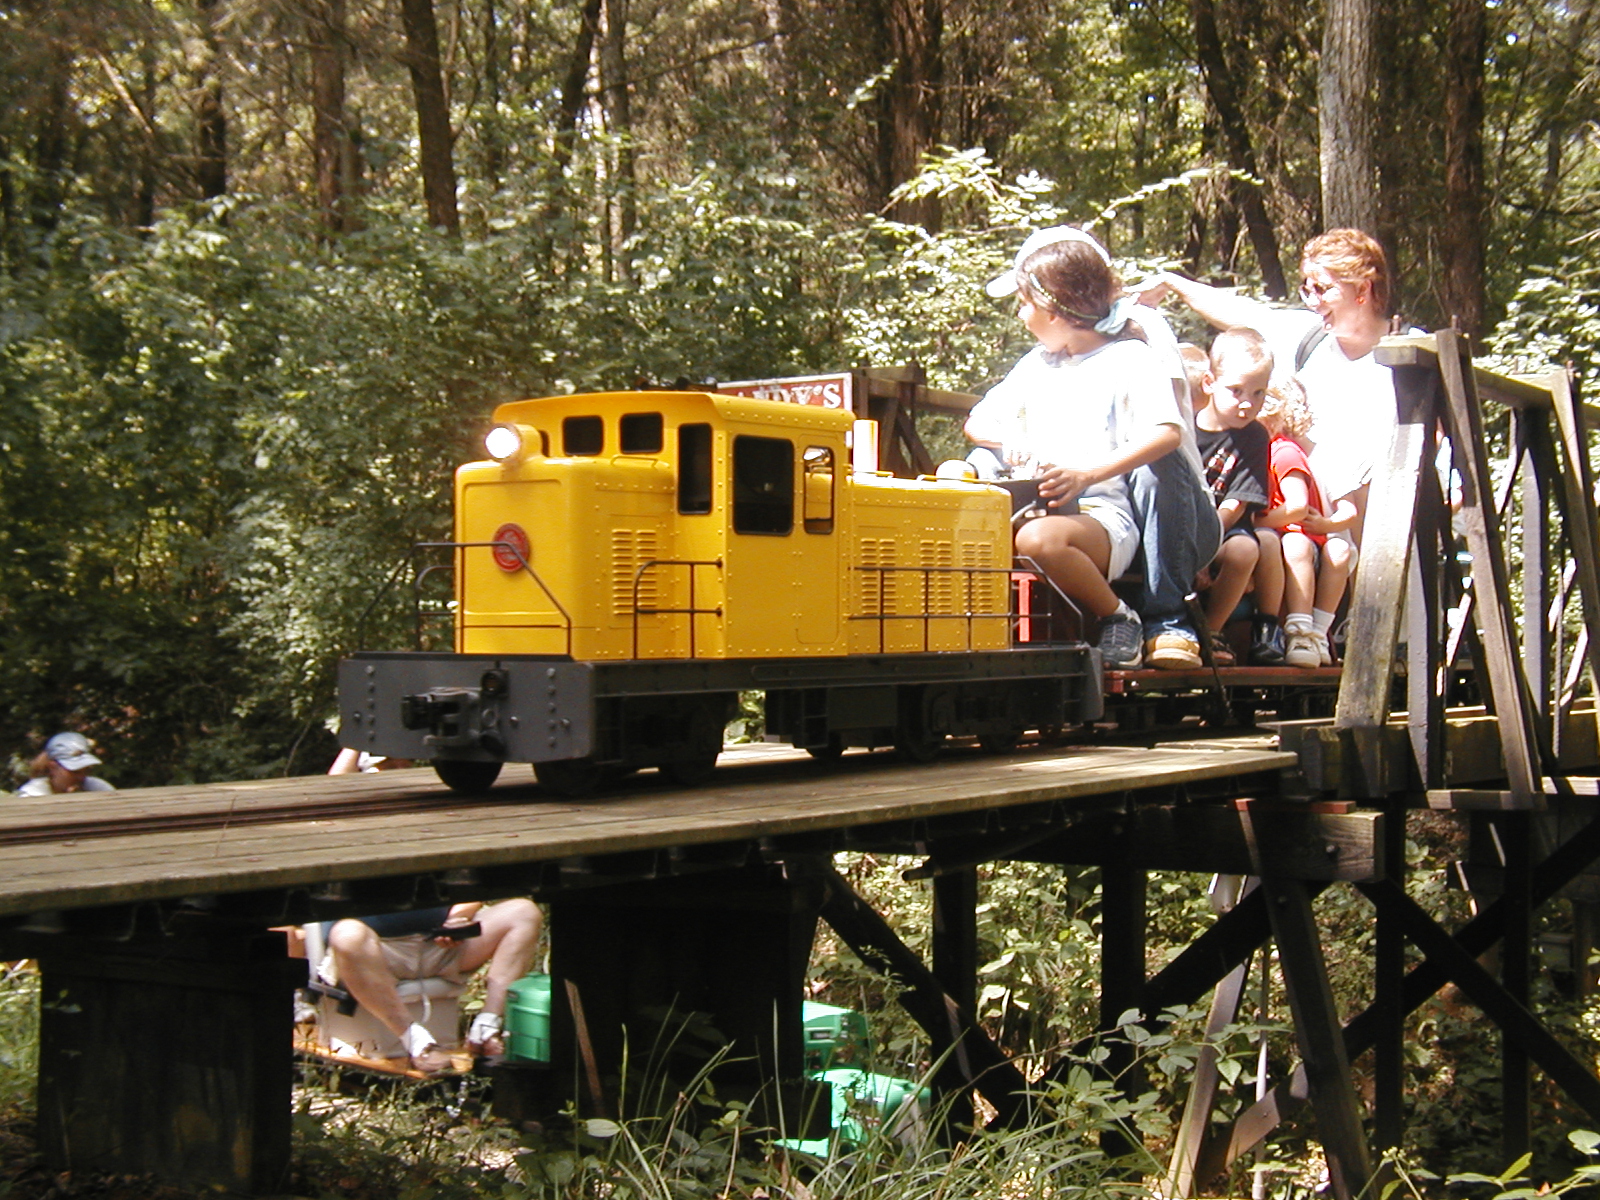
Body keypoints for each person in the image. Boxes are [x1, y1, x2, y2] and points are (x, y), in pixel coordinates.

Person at [966, 226, 1219, 670]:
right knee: (965, 468)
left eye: (1024, 303)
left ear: (1052, 307)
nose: (1021, 315)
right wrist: (1012, 441)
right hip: (1036, 503)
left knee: (1039, 541)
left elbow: (1166, 433)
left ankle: (1120, 616)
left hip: (1101, 514)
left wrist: (1086, 474)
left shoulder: (1129, 358)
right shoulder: (1035, 364)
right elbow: (977, 422)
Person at [1135, 228, 1396, 548]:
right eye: (1307, 289)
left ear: (1363, 288)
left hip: (1382, 539)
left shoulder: (1409, 355)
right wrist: (1171, 282)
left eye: (1322, 289)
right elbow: (1239, 313)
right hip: (1308, 540)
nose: (1313, 302)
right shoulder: (1308, 338)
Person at [293, 899, 542, 1075]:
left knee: (523, 912)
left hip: (440, 944)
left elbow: (469, 892)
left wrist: (457, 918)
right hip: (374, 951)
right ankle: (418, 1043)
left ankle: (486, 1028)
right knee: (348, 934)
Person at [1255, 382, 1357, 668]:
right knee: (1294, 544)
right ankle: (1303, 630)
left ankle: (1315, 632)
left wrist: (1325, 524)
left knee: (1335, 550)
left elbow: (1347, 511)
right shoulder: (1270, 451)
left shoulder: (1301, 455)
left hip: (1315, 537)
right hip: (1291, 538)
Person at [1193, 328, 1274, 666]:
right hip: (1182, 525)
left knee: (1244, 550)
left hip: (1223, 530)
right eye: (1236, 390)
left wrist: (1205, 550)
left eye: (1258, 393)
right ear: (1209, 383)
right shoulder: (1182, 429)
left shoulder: (1254, 436)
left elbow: (1235, 504)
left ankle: (1211, 632)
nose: (1247, 404)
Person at [16, 732, 115, 795]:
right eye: (74, 771)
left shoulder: (97, 788)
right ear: (52, 767)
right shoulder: (32, 794)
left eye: (86, 770)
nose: (81, 777)